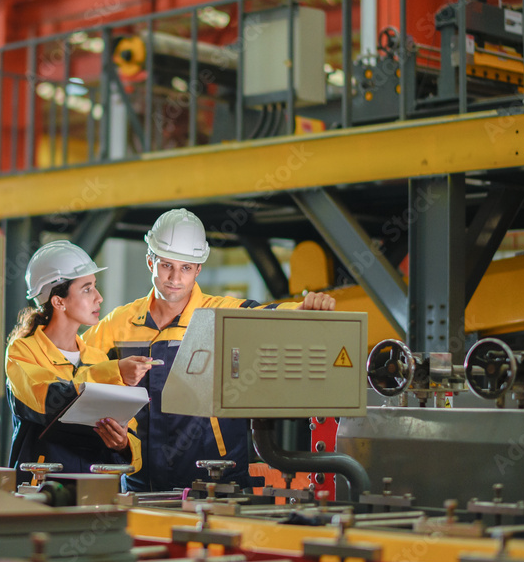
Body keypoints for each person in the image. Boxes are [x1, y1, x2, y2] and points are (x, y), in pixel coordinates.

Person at [83, 208, 335, 492]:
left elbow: (271, 315)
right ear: (149, 261)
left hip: (216, 480)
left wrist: (305, 308)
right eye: (166, 265)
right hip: (142, 481)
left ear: (198, 269)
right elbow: (77, 369)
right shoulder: (119, 323)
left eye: (186, 268)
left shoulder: (220, 314)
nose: (175, 278)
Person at [5, 240, 153, 484]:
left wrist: (123, 443)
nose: (99, 297)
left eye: (94, 287)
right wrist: (113, 371)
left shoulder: (96, 358)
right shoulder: (22, 352)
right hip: (42, 493)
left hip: (97, 493)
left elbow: (131, 434)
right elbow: (52, 401)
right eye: (87, 289)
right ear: (58, 301)